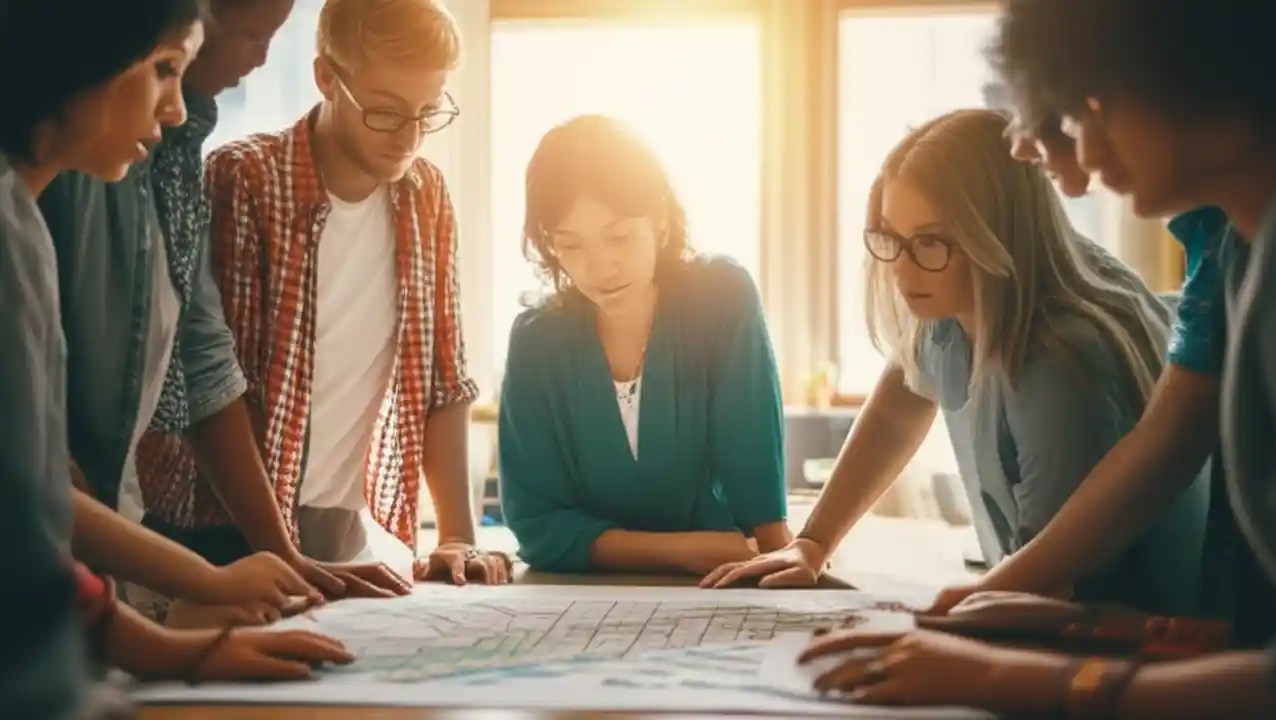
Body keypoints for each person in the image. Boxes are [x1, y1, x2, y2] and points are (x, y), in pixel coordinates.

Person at [790, 1, 1276, 715]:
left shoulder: (1065, 352)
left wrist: (1006, 669)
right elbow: (1168, 437)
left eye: (1083, 105)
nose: (1051, 145)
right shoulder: (1233, 243)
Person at [703, 109, 1210, 617]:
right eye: (890, 238)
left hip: (1118, 631)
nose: (901, 271)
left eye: (929, 241)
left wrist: (933, 620)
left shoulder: (1061, 366)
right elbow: (899, 403)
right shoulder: (957, 296)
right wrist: (814, 542)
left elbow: (1050, 587)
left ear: (996, 237)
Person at [0, 1, 350, 715]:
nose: (174, 107)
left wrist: (179, 641)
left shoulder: (22, 225)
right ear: (85, 54)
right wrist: (179, 636)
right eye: (163, 69)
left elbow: (34, 503)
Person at [194, 0, 510, 585]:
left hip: (336, 522)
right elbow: (219, 385)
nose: (410, 137)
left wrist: (458, 537)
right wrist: (280, 553)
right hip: (220, 520)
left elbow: (444, 379)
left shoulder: (425, 195)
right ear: (325, 77)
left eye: (428, 112)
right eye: (385, 112)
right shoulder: (245, 179)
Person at [498, 115, 790, 575]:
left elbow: (759, 488)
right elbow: (536, 525)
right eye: (571, 245)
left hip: (723, 581)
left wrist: (783, 561)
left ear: (659, 220)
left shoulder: (721, 297)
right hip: (584, 597)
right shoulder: (536, 341)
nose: (600, 268)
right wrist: (680, 550)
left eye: (618, 236)